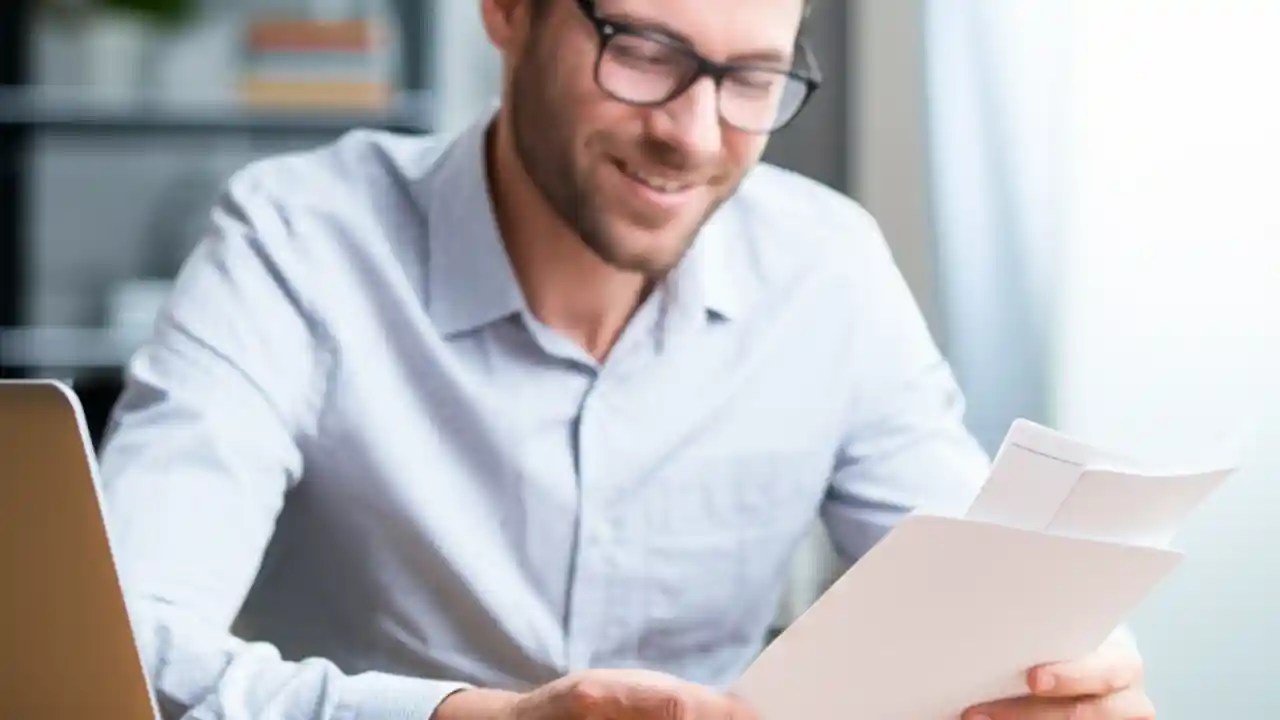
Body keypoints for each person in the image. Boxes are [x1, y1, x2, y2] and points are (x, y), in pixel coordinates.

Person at [99, 0, 1154, 718]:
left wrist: (1050, 675)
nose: (693, 135)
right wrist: (461, 719)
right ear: (507, 10)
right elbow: (120, 647)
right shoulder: (297, 239)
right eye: (644, 51)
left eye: (752, 78)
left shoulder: (826, 268)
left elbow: (975, 602)